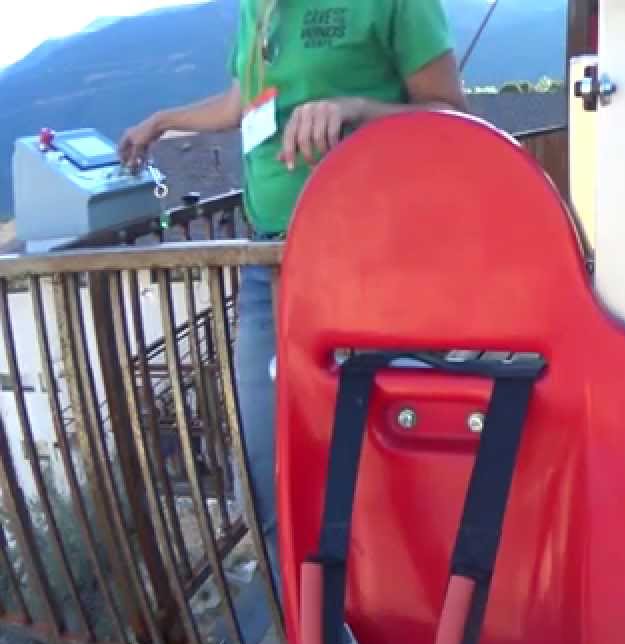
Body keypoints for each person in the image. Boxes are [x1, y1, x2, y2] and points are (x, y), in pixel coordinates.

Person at [118, 0, 468, 595]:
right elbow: (241, 103)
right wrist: (161, 119)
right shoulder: (256, 8)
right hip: (268, 267)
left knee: (386, 466)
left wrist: (356, 109)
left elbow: (450, 116)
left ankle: (409, 629)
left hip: (368, 260)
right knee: (272, 469)